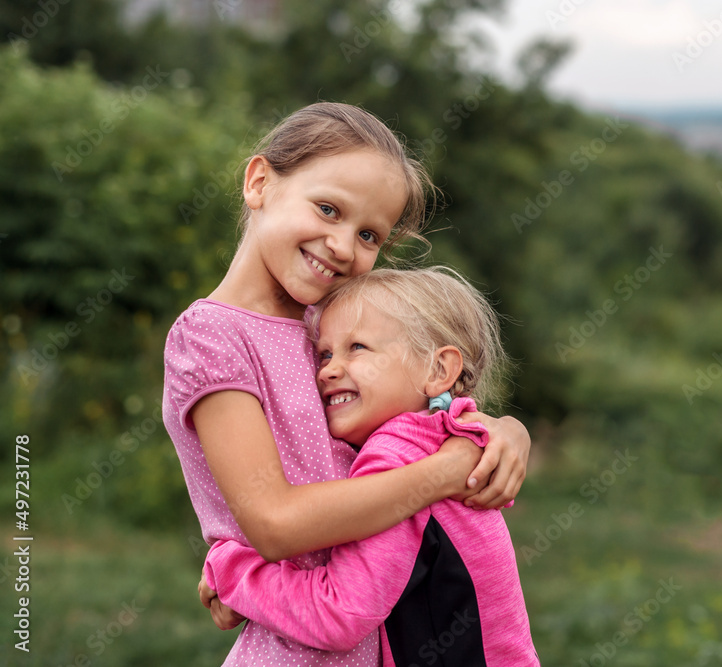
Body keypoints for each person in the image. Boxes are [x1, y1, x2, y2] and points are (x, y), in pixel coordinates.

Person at [162, 103, 531, 666]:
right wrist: (445, 471)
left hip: (381, 639)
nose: (342, 245)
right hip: (296, 648)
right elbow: (276, 524)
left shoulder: (330, 330)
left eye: (368, 234)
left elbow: (414, 416)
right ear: (260, 182)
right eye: (328, 209)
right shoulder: (212, 338)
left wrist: (504, 430)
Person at [203, 267, 539, 666]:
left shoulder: (397, 453)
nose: (327, 369)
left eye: (358, 347)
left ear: (437, 371)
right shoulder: (448, 434)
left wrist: (234, 572)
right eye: (325, 353)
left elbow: (339, 614)